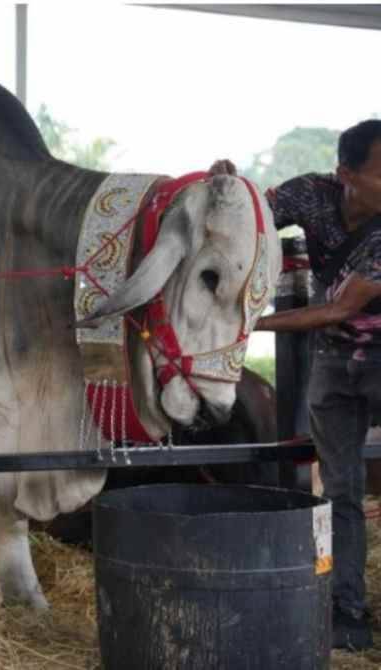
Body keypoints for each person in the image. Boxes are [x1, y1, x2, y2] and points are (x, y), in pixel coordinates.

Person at [212, 119, 381, 651]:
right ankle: (347, 611)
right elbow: (253, 220)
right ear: (345, 173)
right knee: (340, 490)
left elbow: (336, 308)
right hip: (335, 363)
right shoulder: (310, 193)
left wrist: (245, 325)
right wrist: (227, 190)